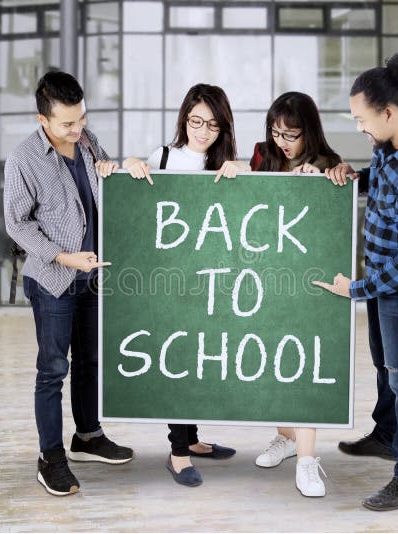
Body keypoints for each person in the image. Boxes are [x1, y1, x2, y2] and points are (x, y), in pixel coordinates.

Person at [316, 51, 398, 511]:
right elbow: (385, 181)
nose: (359, 128)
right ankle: (388, 435)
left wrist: (352, 289)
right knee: (384, 362)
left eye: (361, 119)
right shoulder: (392, 144)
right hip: (381, 277)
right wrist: (356, 179)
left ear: (388, 112)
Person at [3, 71, 134, 497]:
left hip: (93, 276)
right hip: (54, 279)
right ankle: (51, 458)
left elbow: (104, 187)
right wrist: (63, 256)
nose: (77, 130)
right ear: (43, 119)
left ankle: (88, 437)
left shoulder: (89, 140)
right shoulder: (24, 159)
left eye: (81, 119)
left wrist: (114, 169)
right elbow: (17, 225)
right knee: (53, 370)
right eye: (67, 124)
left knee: (90, 362)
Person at [122, 83, 247, 487]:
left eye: (212, 123)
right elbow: (131, 199)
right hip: (171, 280)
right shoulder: (163, 156)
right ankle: (177, 453)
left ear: (222, 126)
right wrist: (129, 163)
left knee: (200, 359)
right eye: (196, 121)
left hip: (212, 279)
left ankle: (191, 440)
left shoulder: (225, 164)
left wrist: (241, 168)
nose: (203, 130)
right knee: (178, 360)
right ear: (184, 119)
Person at [248, 91, 342, 498]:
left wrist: (323, 182)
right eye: (275, 131)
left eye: (291, 134)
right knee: (273, 363)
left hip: (308, 283)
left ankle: (306, 461)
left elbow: (336, 218)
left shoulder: (328, 163)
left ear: (310, 132)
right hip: (264, 277)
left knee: (304, 366)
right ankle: (286, 438)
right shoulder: (262, 155)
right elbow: (246, 202)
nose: (282, 141)